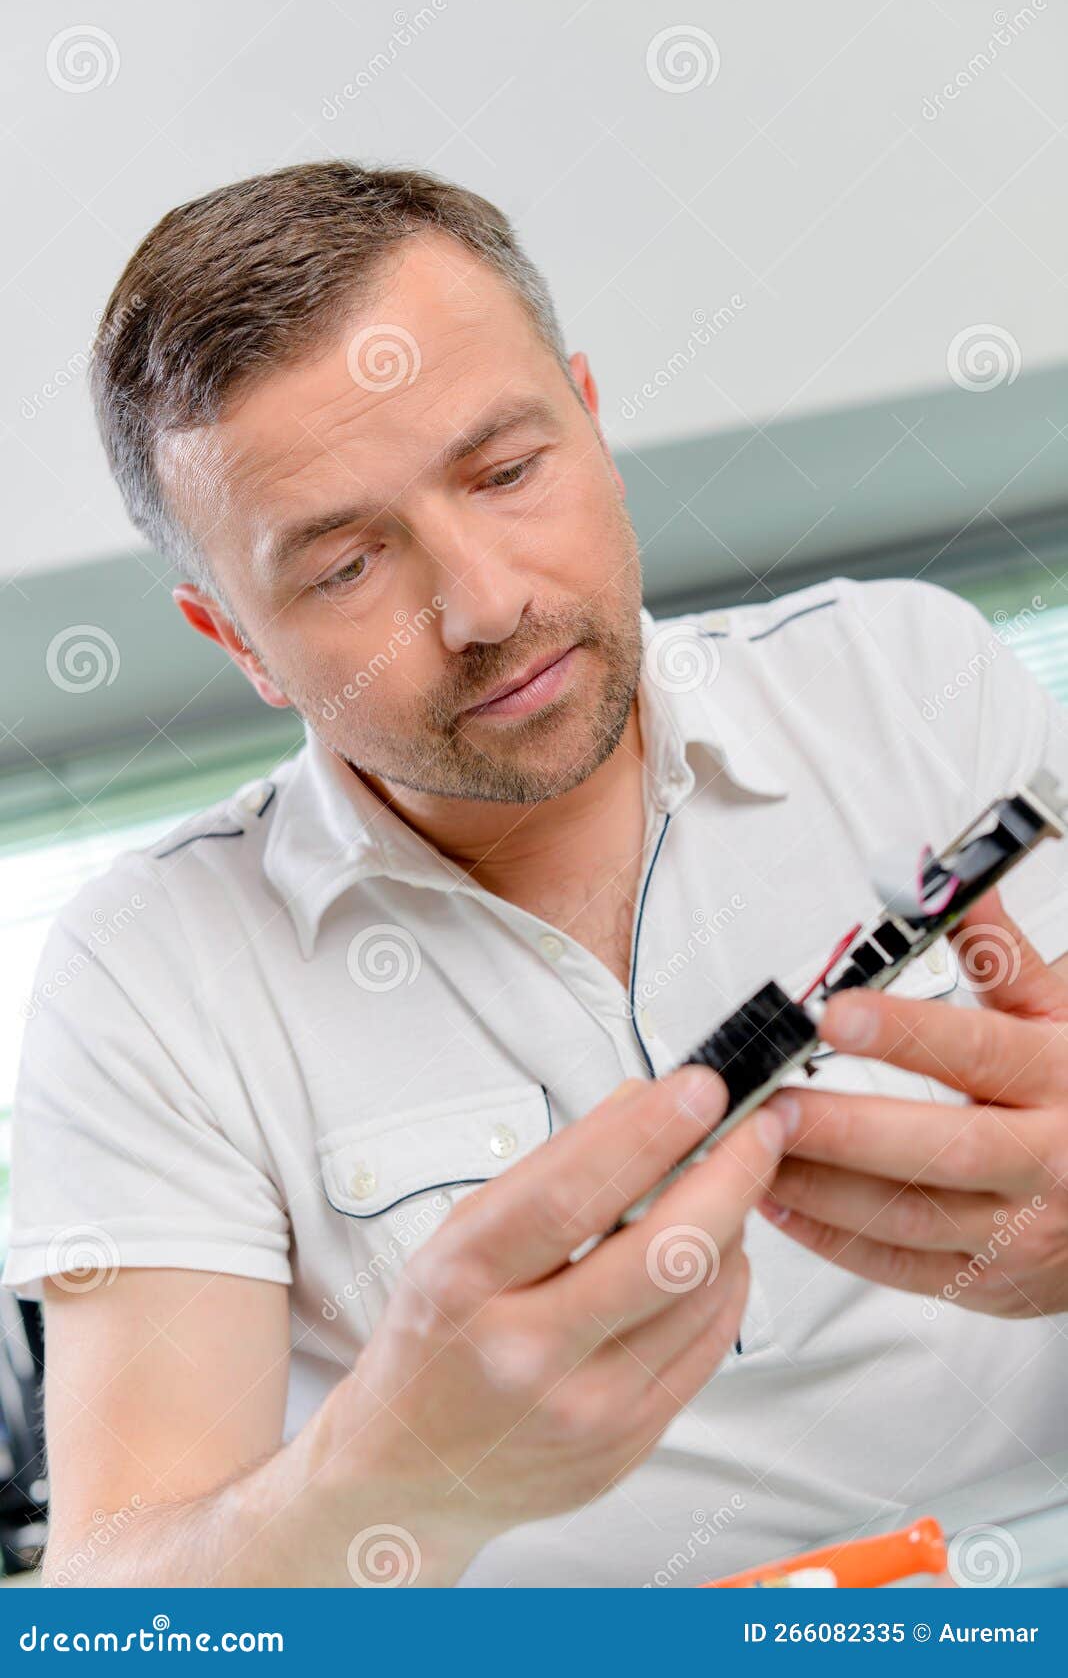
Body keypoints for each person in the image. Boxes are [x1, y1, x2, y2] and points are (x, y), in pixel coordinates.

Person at [5, 162, 1068, 1589]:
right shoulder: (150, 969)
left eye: (507, 473)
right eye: (345, 566)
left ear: (592, 423)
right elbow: (118, 1626)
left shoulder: (905, 678)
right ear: (236, 639)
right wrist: (384, 1477)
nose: (486, 604)